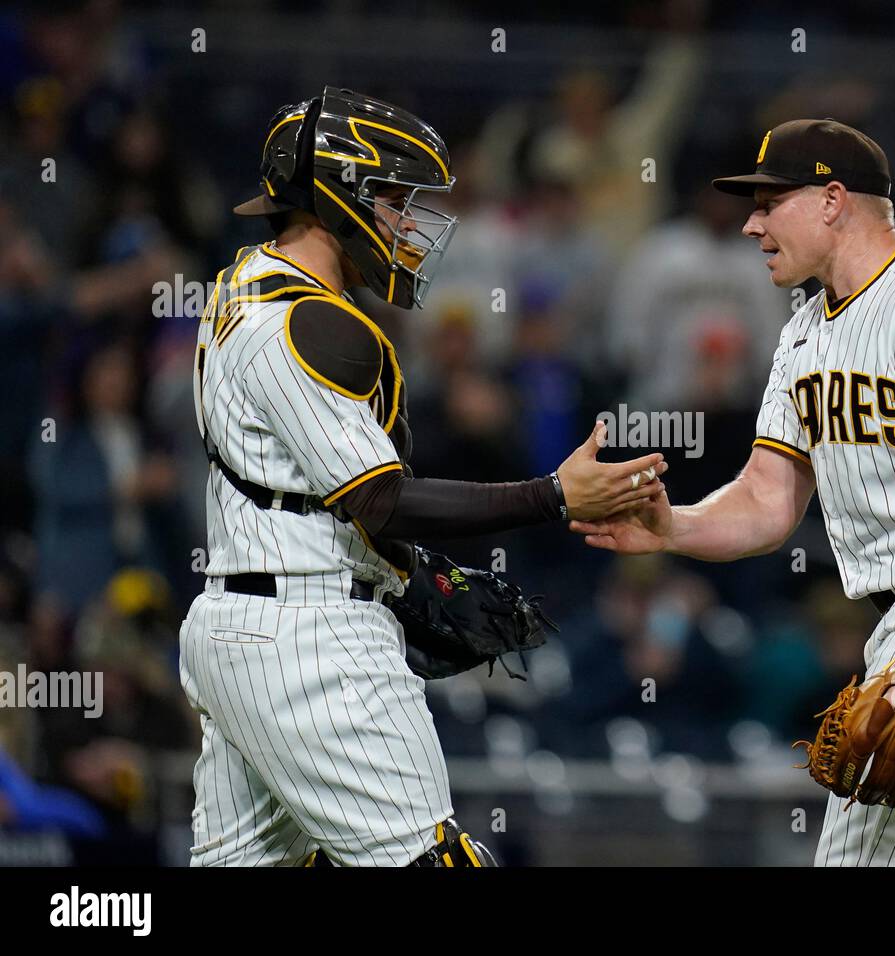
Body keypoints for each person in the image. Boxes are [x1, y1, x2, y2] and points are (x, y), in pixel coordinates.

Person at [181, 86, 665, 867]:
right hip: (311, 639)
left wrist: (405, 577)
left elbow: (305, 495)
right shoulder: (312, 322)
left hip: (243, 621)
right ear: (341, 193)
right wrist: (552, 496)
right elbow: (379, 501)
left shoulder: (242, 284)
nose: (409, 224)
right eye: (394, 199)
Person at [571, 119, 895, 866]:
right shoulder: (805, 330)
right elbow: (768, 502)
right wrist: (674, 527)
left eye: (770, 202)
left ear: (833, 200)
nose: (751, 223)